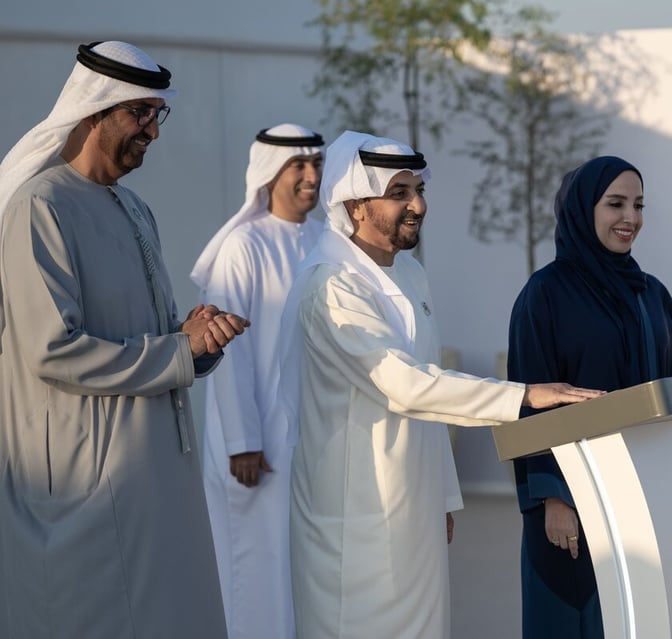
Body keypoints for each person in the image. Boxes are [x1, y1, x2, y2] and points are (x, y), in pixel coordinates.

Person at [275, 130, 603, 639]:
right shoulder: (331, 286)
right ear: (356, 206)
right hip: (356, 515)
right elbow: (407, 385)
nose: (418, 205)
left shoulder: (408, 272)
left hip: (416, 509)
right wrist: (523, 395)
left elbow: (430, 391)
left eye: (419, 190)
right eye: (400, 193)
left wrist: (443, 497)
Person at [0, 41, 249, 638]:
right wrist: (177, 349)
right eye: (139, 113)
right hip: (86, 483)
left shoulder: (135, 209)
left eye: (157, 115)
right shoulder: (41, 206)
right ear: (95, 111)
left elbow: (161, 338)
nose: (152, 132)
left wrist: (200, 339)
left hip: (157, 478)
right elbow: (51, 350)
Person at [507, 155, 672, 639]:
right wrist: (553, 495)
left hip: (643, 492)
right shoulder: (545, 294)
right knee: (573, 617)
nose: (630, 218)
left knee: (640, 618)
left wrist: (668, 468)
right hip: (575, 497)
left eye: (638, 205)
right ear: (581, 209)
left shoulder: (652, 296)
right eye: (615, 203)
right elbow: (528, 398)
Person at [190, 123, 325, 639]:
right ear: (271, 173)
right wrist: (244, 442)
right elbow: (227, 351)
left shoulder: (321, 241)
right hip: (254, 447)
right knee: (254, 573)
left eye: (316, 163)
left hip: (307, 440)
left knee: (300, 572)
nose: (311, 175)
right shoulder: (243, 247)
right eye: (299, 165)